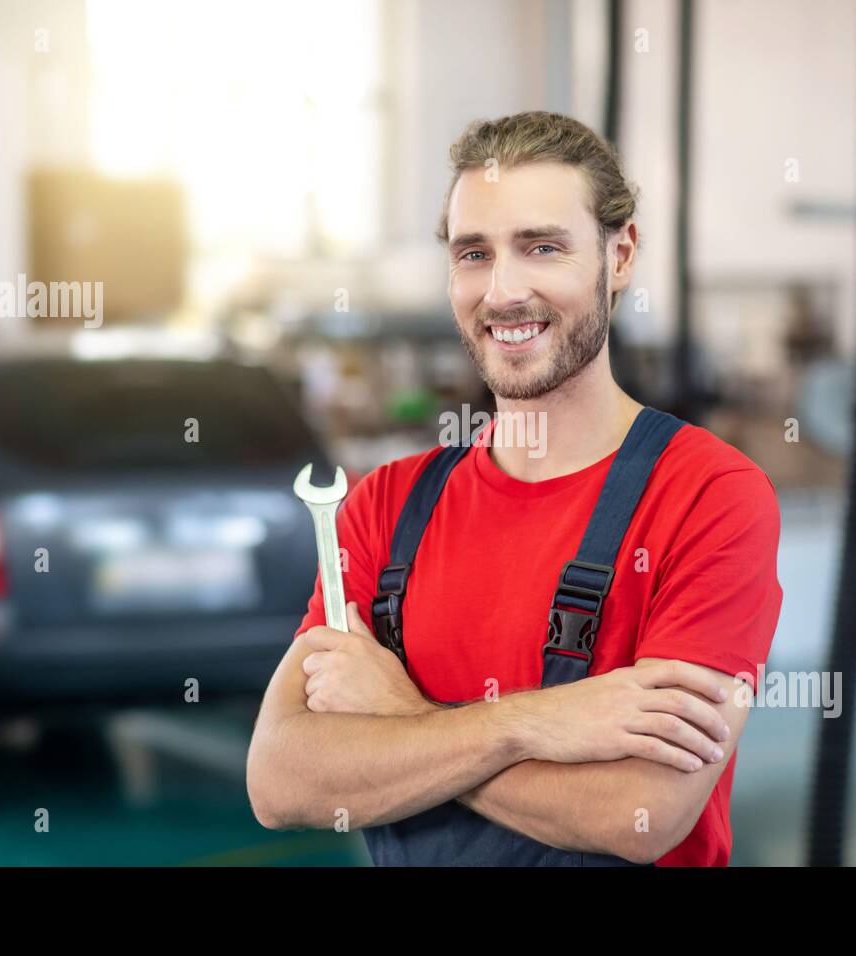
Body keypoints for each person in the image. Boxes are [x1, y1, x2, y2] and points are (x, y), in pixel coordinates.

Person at [246, 111, 783, 866]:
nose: (503, 291)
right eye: (475, 253)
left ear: (619, 254)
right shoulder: (383, 509)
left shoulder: (709, 496)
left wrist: (401, 716)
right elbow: (283, 780)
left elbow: (641, 810)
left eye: (542, 247)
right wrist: (530, 725)